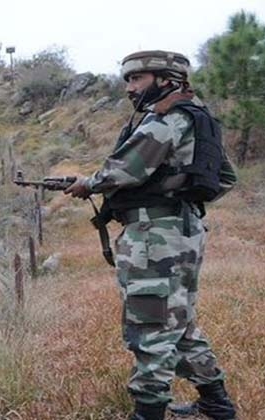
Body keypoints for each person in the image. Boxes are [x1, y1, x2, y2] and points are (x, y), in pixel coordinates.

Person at [64, 50, 238, 420]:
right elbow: (226, 178)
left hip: (154, 236)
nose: (130, 88)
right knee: (179, 322)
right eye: (128, 80)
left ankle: (148, 412)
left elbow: (124, 171)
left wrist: (88, 184)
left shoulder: (165, 120)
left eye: (137, 79)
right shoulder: (200, 119)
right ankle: (217, 405)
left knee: (152, 327)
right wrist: (181, 196)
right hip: (184, 230)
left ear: (165, 80)